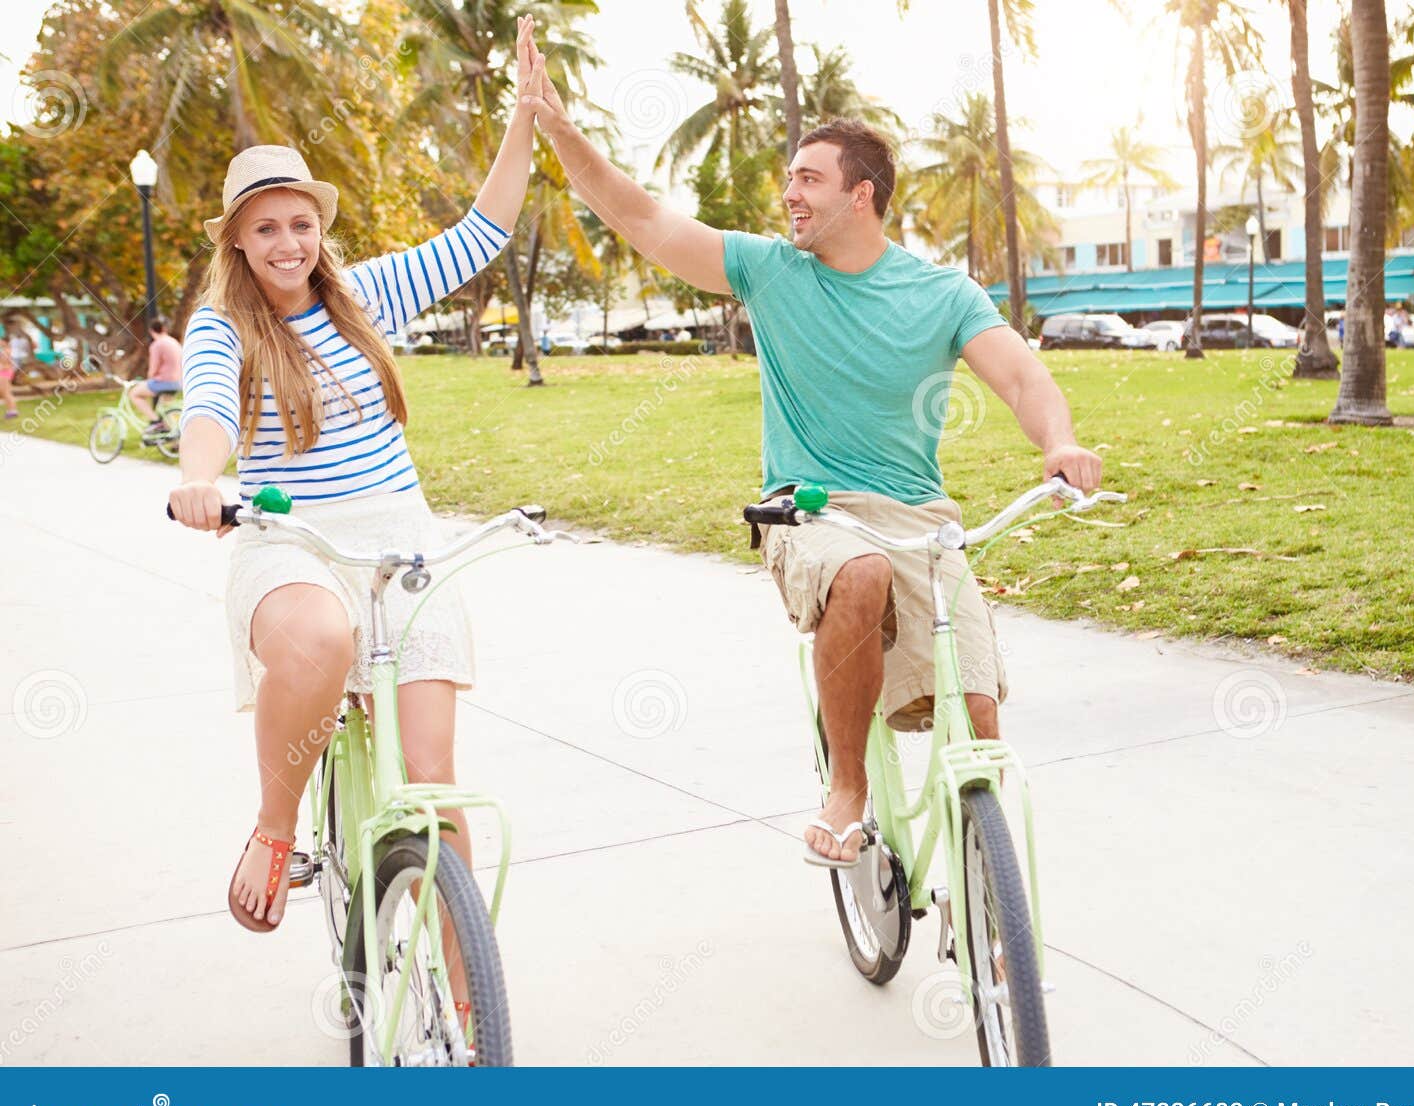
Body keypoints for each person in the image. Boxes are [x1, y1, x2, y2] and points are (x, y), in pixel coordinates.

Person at [523, 57, 1103, 867]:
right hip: (812, 508)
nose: (789, 194)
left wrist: (1058, 441)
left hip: (920, 518)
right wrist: (557, 128)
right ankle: (849, 786)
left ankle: (992, 918)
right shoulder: (770, 270)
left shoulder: (941, 292)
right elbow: (644, 218)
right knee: (858, 573)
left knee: (978, 715)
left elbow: (1019, 374)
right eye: (790, 178)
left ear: (859, 194)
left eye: (808, 179)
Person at [167, 17, 540, 946]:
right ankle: (276, 825)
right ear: (240, 244)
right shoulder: (222, 327)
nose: (288, 242)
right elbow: (208, 410)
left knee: (434, 782)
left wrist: (525, 117)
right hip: (289, 537)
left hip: (399, 537)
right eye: (267, 228)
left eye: (301, 223)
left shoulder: (366, 295)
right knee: (322, 634)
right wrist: (198, 482)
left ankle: (462, 1017)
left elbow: (481, 231)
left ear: (318, 231)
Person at [130, 319, 182, 429]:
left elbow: (153, 368)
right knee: (165, 410)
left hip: (164, 382)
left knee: (134, 394)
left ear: (151, 331)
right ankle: (172, 435)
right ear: (164, 329)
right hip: (178, 381)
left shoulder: (157, 345)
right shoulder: (174, 342)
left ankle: (155, 421)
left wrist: (149, 378)